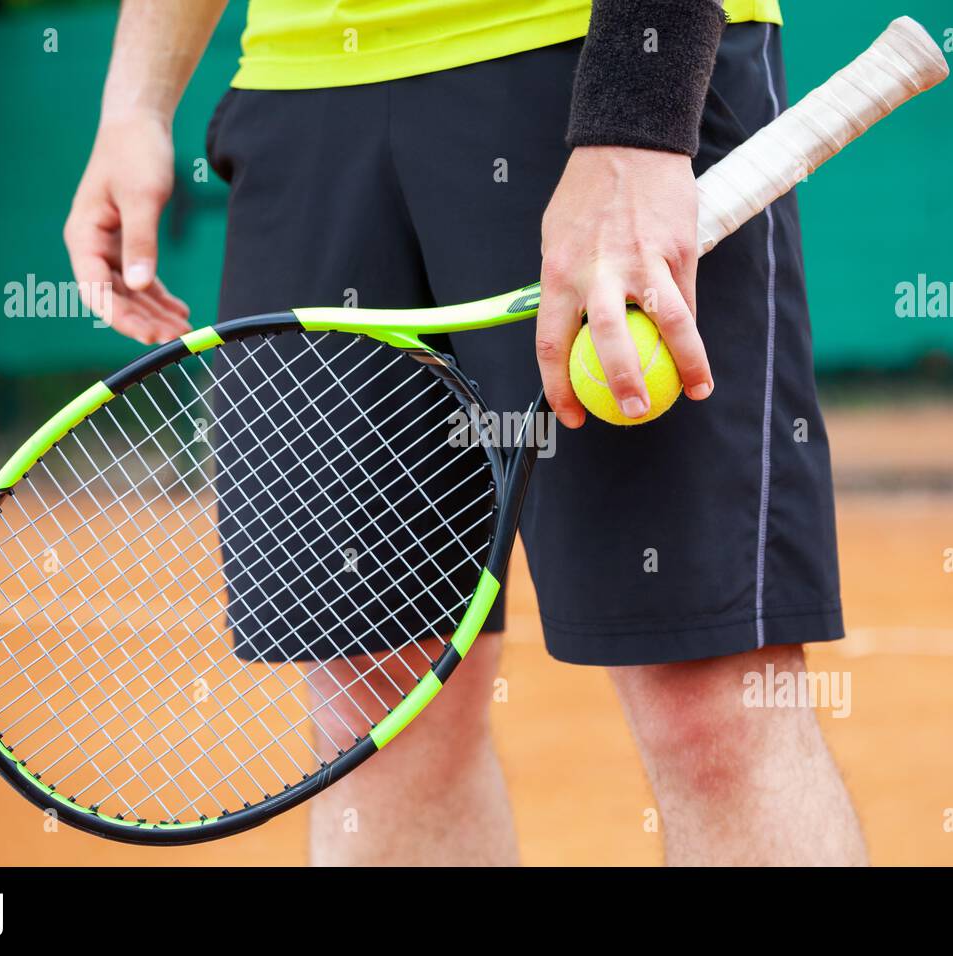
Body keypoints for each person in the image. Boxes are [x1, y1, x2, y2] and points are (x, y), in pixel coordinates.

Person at [64, 0, 867, 866]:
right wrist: (136, 104)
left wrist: (638, 116)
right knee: (371, 715)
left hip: (590, 59)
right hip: (305, 91)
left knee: (711, 708)